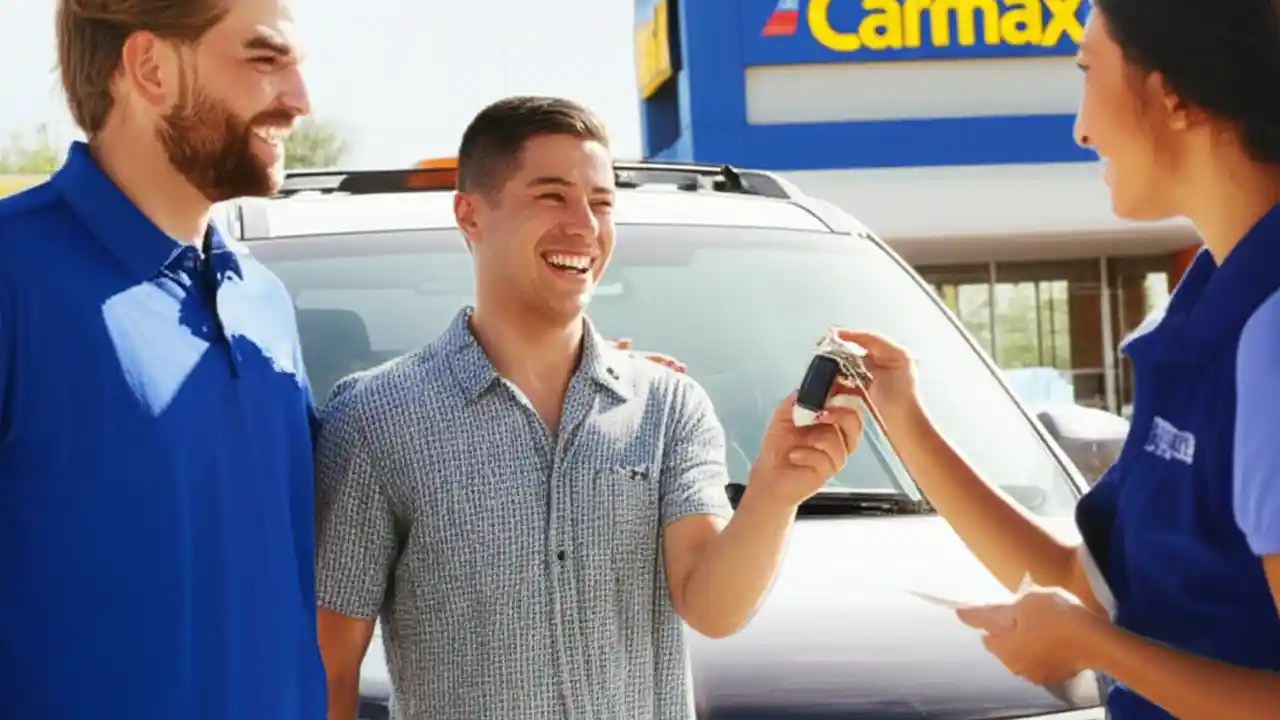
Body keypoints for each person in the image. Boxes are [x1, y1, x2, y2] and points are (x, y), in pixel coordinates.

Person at [312, 95, 864, 720]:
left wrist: (773, 492)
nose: (585, 225)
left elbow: (713, 608)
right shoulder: (375, 419)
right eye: (552, 196)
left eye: (601, 203)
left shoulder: (668, 407)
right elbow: (332, 667)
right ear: (470, 214)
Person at [837, 1, 1280, 718]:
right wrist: (905, 421)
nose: (1081, 127)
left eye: (1086, 72)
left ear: (1171, 96)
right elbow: (1085, 585)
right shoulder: (1204, 312)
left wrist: (1097, 648)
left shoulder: (1269, 336)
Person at [0, 1, 326, 718]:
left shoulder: (265, 300)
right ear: (149, 68)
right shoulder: (12, 273)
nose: (300, 100)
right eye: (265, 60)